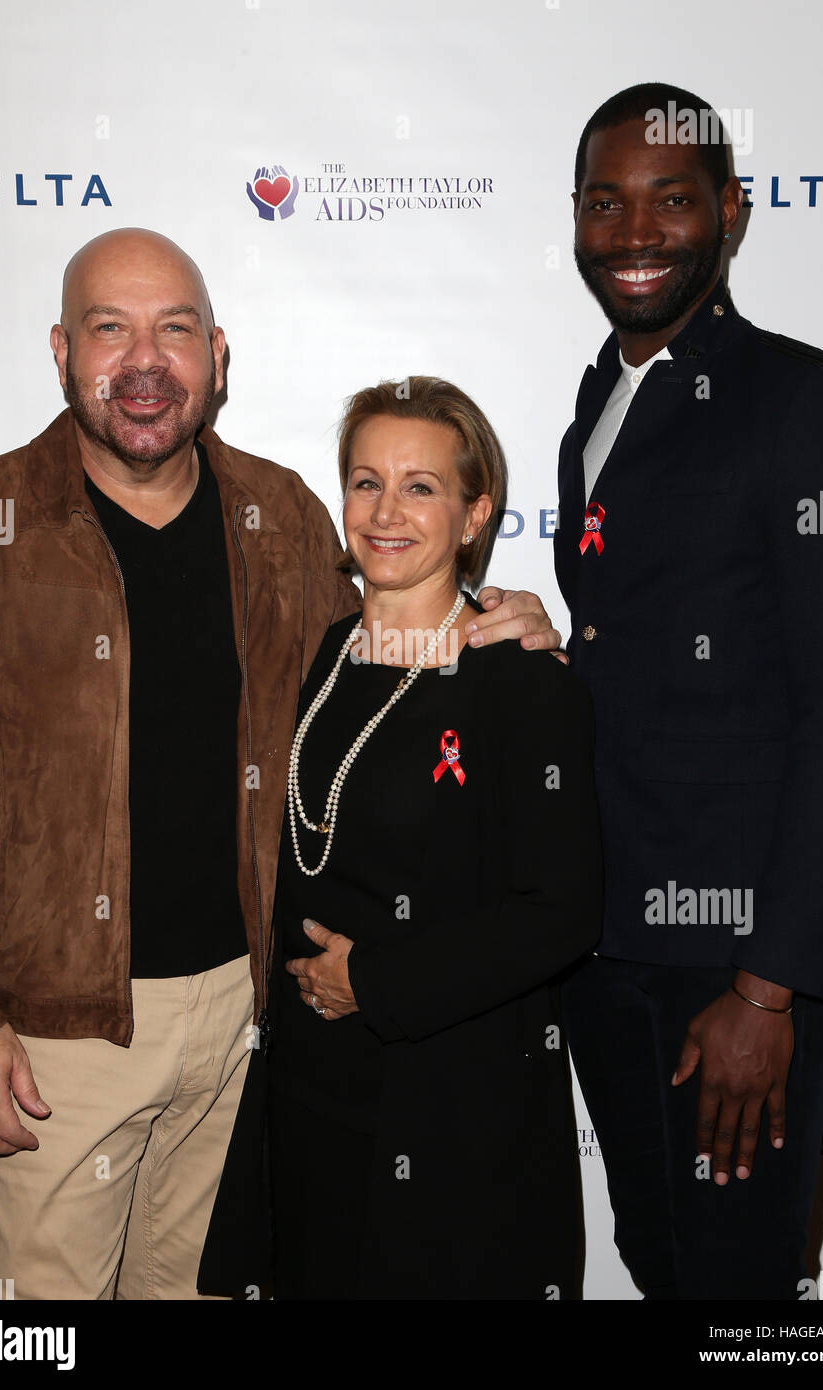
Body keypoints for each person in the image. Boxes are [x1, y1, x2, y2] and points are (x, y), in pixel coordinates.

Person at [0, 228, 561, 1301]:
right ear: (61, 351)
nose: (144, 360)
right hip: (51, 1037)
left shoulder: (282, 517)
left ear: (217, 357)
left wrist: (507, 620)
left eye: (174, 329)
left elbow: (383, 674)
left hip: (247, 1025)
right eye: (109, 328)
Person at [555, 83, 823, 1300]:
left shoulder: (817, 403)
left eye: (671, 199)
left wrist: (770, 985)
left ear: (731, 211)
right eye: (605, 202)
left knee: (739, 1292)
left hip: (737, 961)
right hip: (603, 945)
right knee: (660, 1263)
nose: (635, 232)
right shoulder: (597, 404)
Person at [199, 377, 603, 1301]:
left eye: (421, 487)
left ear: (475, 515)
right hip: (312, 1092)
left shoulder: (524, 682)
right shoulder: (327, 653)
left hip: (454, 1101)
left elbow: (563, 913)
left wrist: (376, 983)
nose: (386, 512)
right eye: (366, 482)